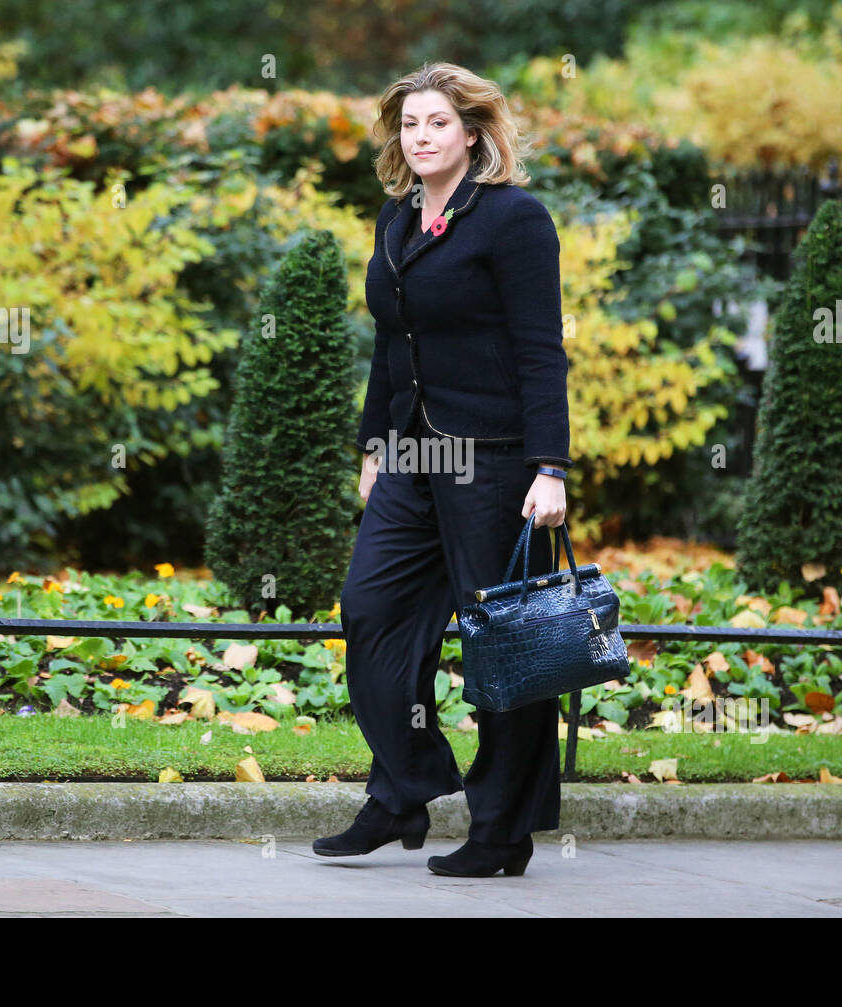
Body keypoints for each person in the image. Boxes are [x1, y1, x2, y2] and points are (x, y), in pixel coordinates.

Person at [313, 62, 572, 878]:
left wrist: (551, 466)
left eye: (436, 123)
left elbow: (541, 349)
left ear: (472, 133)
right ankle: (406, 788)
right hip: (415, 457)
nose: (420, 137)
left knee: (504, 646)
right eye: (409, 125)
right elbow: (393, 346)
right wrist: (373, 446)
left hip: (494, 463)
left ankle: (501, 829)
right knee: (371, 609)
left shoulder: (514, 220)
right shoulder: (396, 222)